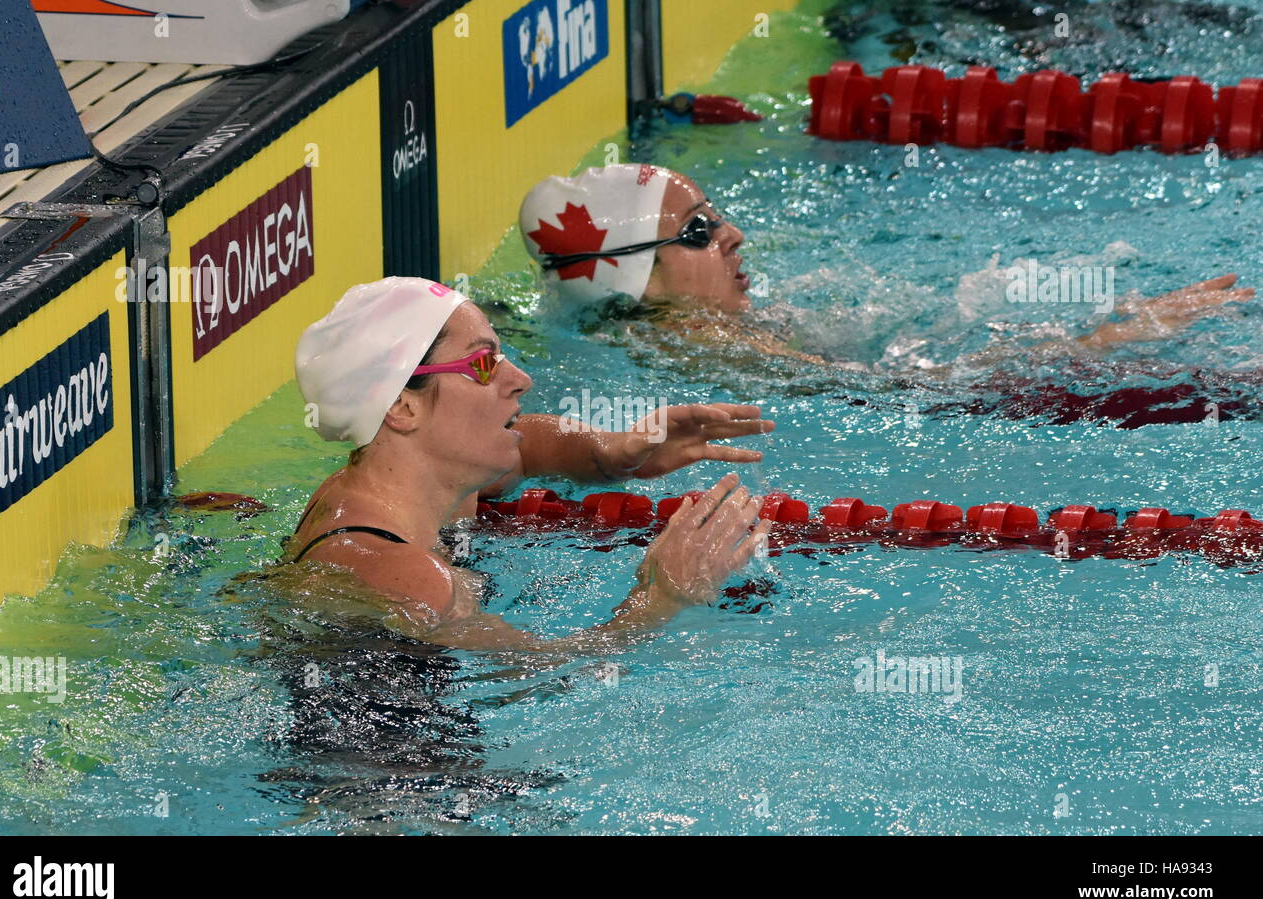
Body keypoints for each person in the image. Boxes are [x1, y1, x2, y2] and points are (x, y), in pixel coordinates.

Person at [288, 277, 773, 653]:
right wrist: (663, 596)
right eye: (482, 364)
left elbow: (528, 445)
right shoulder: (406, 576)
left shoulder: (419, 486)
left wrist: (615, 453)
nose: (521, 379)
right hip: (390, 767)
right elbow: (544, 674)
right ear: (401, 407)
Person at [518, 163, 1254, 371]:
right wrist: (1101, 345)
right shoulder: (705, 348)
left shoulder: (671, 333)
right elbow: (913, 394)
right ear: (629, 276)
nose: (736, 235)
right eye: (700, 230)